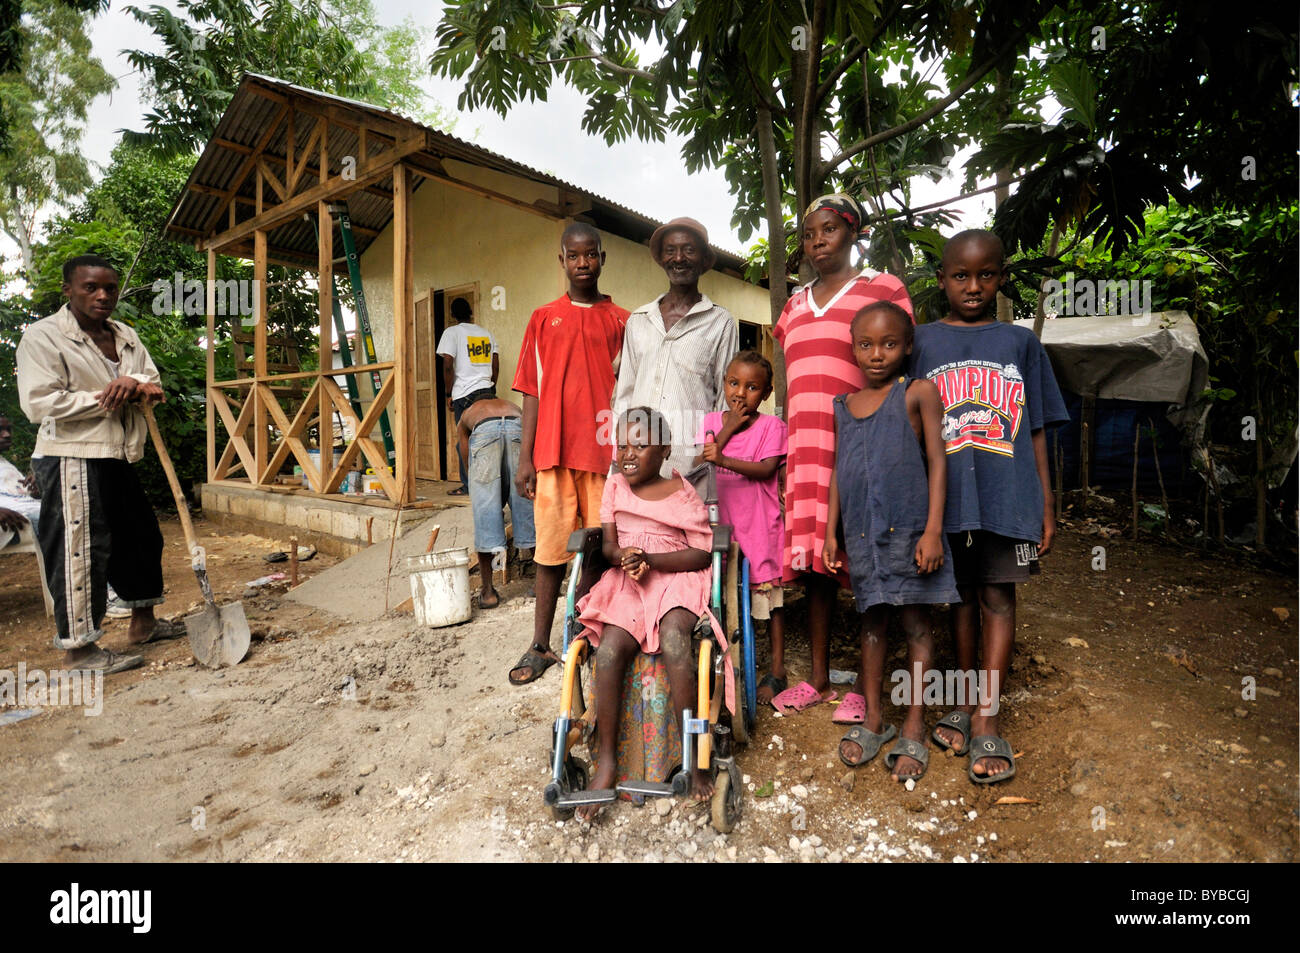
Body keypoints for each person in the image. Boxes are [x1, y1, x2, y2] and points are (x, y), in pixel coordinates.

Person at [909, 229, 1069, 784]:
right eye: (960, 275)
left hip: (1008, 495)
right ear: (942, 280)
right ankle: (964, 697)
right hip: (945, 500)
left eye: (986, 275)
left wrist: (1046, 502)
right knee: (959, 596)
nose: (973, 286)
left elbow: (1040, 429)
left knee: (998, 595)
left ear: (1002, 277)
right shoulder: (921, 342)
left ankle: (989, 713)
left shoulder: (1020, 343)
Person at [770, 193, 914, 716]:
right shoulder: (792, 304)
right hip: (807, 452)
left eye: (828, 230)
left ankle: (865, 689)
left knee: (867, 563)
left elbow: (898, 362)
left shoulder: (883, 289)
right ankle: (820, 678)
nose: (816, 242)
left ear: (854, 232)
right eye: (808, 234)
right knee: (817, 568)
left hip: (862, 451)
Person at [16, 254, 182, 674]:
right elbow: (39, 403)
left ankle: (143, 624)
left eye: (109, 288)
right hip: (71, 457)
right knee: (80, 552)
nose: (103, 295)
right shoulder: (44, 336)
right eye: (90, 287)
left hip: (119, 452)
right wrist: (113, 393)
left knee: (140, 536)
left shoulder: (124, 334)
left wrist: (139, 385)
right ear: (68, 289)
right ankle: (79, 651)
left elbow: (153, 381)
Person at [823, 302, 960, 781]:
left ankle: (915, 725)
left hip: (909, 532)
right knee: (872, 624)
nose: (877, 354)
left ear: (907, 347)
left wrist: (932, 531)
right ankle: (876, 718)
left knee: (917, 625)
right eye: (866, 344)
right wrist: (828, 532)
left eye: (889, 344)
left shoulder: (917, 392)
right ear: (853, 349)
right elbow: (840, 473)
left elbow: (939, 463)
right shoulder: (842, 405)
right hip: (862, 535)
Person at [574, 407, 720, 817]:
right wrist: (625, 556)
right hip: (629, 579)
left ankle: (693, 758)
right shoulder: (614, 486)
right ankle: (606, 762)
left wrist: (652, 560)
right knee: (607, 650)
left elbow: (701, 551)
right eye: (622, 443)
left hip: (674, 576)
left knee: (676, 642)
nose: (628, 452)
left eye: (641, 444)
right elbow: (607, 547)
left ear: (665, 450)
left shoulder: (681, 492)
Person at [508, 223, 629, 685]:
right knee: (550, 551)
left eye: (591, 255)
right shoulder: (543, 318)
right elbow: (532, 392)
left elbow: (628, 391)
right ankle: (541, 643)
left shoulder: (622, 319)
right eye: (573, 256)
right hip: (553, 454)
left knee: (599, 550)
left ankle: (589, 637)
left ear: (603, 257)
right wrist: (525, 458)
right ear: (562, 260)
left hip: (604, 454)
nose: (583, 263)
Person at [692, 350, 788, 706]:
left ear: (765, 393)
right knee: (722, 595)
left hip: (760, 525)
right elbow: (703, 464)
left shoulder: (773, 428)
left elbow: (765, 470)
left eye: (751, 387)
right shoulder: (712, 422)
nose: (740, 393)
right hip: (722, 525)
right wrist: (728, 427)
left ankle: (777, 669)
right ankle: (725, 663)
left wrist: (724, 457)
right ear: (723, 383)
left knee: (770, 598)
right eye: (734, 383)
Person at [613, 216, 738, 476]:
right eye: (670, 250)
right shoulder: (639, 320)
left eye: (689, 250)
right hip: (636, 466)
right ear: (662, 259)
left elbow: (725, 403)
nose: (678, 258)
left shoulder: (720, 321)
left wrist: (707, 457)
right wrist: (618, 455)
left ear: (704, 259)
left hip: (690, 466)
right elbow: (624, 394)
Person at [456, 396, 535, 609]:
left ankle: (488, 591)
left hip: (485, 434)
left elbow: (464, 449)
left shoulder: (467, 415)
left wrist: (474, 482)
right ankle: (540, 581)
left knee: (486, 515)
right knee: (525, 505)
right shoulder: (512, 405)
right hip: (518, 430)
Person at [436, 296, 498, 495]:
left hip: (464, 394)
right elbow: (495, 363)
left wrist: (448, 393)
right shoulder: (486, 333)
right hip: (487, 391)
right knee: (488, 438)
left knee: (464, 438)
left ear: (452, 315)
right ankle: (492, 483)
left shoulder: (452, 332)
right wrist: (492, 386)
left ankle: (470, 485)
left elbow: (447, 364)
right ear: (471, 312)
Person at [0, 414, 42, 543]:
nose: (7, 435)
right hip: (21, 518)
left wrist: (37, 489)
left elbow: (22, 493)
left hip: (31, 509)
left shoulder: (5, 464)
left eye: (8, 429)